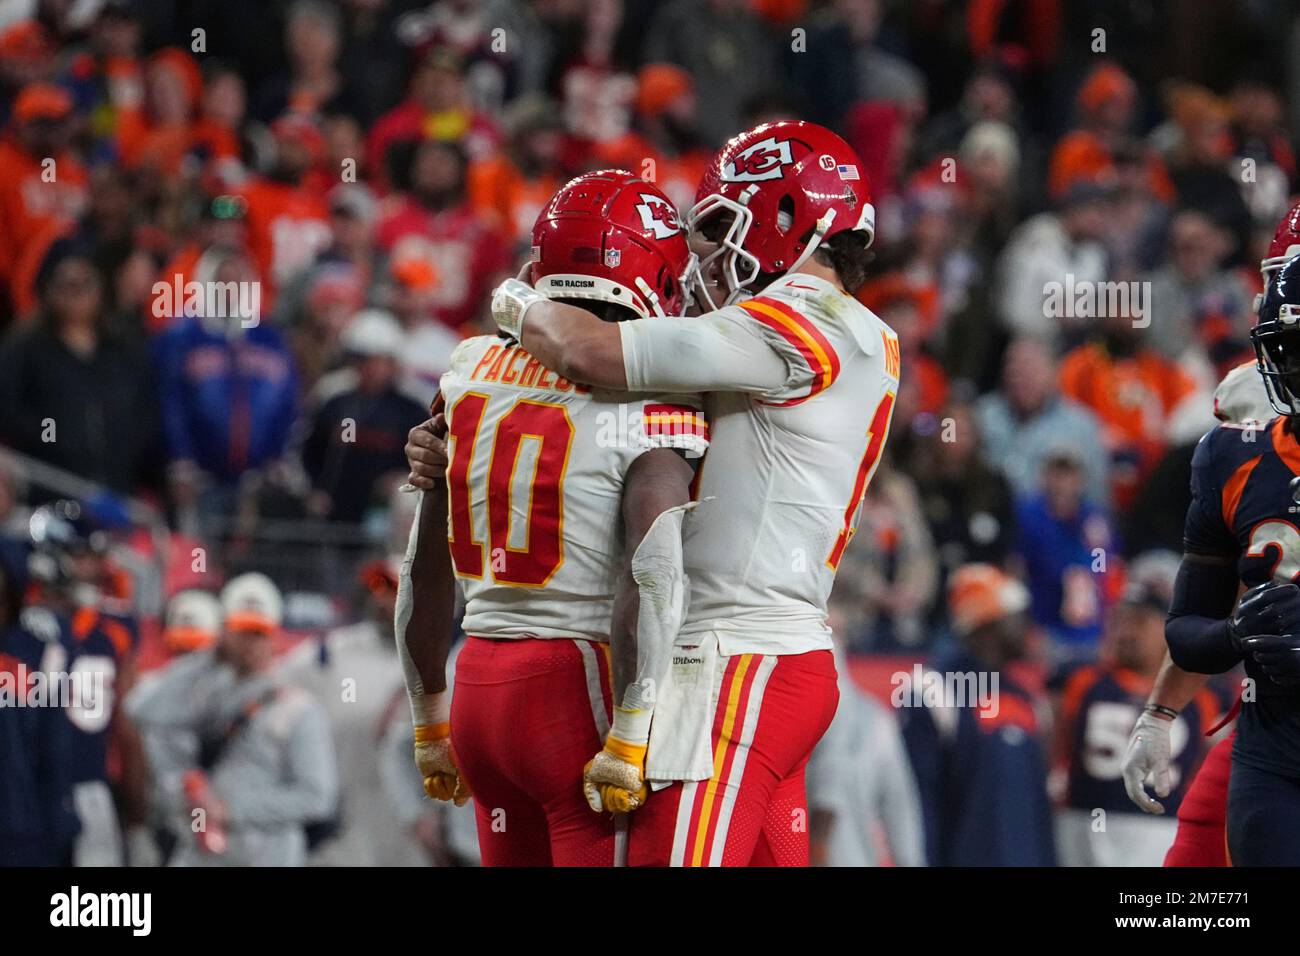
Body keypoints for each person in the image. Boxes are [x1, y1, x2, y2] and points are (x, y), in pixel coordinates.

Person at [464, 120, 899, 866]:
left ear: (790, 215)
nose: (710, 256)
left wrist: (512, 300)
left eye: (725, 222)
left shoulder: (799, 318)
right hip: (778, 656)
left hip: (735, 664)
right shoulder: (841, 331)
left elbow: (587, 350)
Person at [396, 170, 707, 866]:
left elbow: (422, 561)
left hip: (477, 678)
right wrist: (632, 727)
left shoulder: (469, 367)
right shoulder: (656, 398)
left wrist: (428, 717)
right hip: (571, 687)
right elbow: (652, 576)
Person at [1163, 253, 1300, 865]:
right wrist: (1237, 633)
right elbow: (1187, 633)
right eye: (1293, 349)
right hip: (1273, 752)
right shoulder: (1231, 456)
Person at [130, 572, 339, 867]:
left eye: (259, 632)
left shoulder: (298, 707)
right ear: (224, 631)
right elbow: (143, 711)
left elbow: (317, 798)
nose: (249, 643)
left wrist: (229, 810)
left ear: (275, 635)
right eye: (241, 630)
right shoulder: (208, 696)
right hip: (201, 852)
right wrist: (208, 655)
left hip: (268, 855)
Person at [1055, 555, 1216, 866]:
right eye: (1119, 621)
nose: (1126, 633)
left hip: (1159, 828)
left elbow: (1200, 770)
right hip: (1084, 822)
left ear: (1167, 630)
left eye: (1139, 622)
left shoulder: (1197, 696)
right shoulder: (1083, 683)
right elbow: (1058, 750)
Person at [899, 564, 1057, 866]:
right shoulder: (932, 688)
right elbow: (918, 802)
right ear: (987, 622)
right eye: (1016, 615)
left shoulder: (1028, 698)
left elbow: (1039, 809)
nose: (1027, 625)